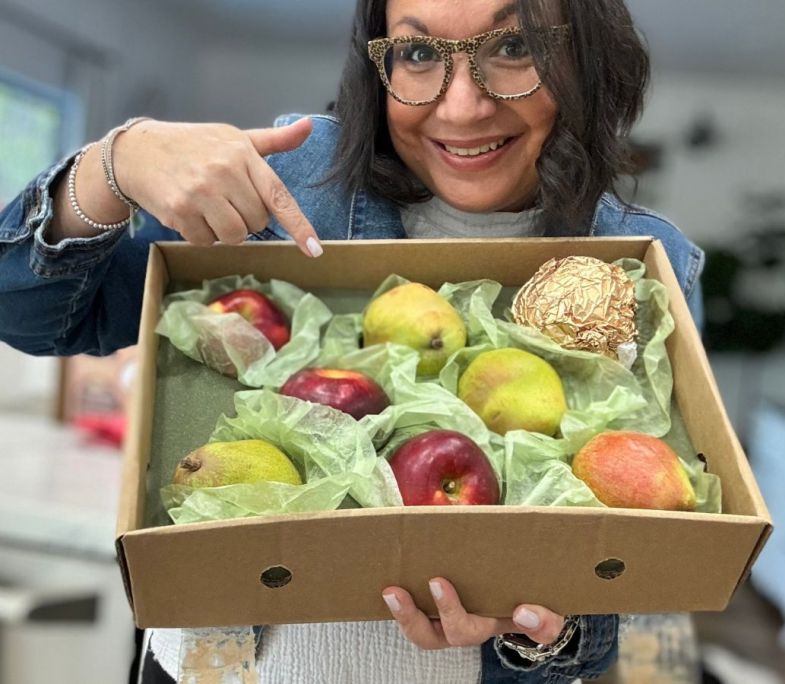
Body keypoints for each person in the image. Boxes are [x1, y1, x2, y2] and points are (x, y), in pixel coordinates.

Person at [0, 0, 705, 681]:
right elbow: (28, 314)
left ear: (587, 55)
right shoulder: (296, 182)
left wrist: (539, 637)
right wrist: (112, 164)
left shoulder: (642, 275)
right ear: (379, 66)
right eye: (419, 52)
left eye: (515, 46)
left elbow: (630, 583)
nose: (461, 106)